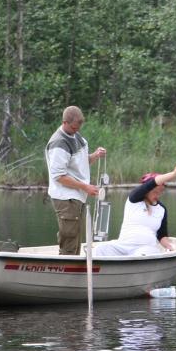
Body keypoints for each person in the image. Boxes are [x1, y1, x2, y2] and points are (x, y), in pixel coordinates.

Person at [45, 106, 106, 254]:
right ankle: (65, 268)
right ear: (64, 122)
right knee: (69, 237)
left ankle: (75, 267)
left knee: (76, 236)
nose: (76, 130)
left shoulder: (77, 136)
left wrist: (95, 155)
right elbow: (59, 176)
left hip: (77, 197)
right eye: (73, 127)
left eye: (78, 127)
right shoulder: (58, 143)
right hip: (65, 198)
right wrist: (85, 187)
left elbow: (80, 162)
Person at [94, 163, 176, 257]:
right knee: (100, 249)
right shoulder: (134, 199)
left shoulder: (162, 209)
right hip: (123, 246)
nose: (158, 195)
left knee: (140, 255)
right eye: (155, 192)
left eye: (160, 192)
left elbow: (162, 236)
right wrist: (173, 174)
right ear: (146, 190)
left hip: (146, 248)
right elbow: (153, 183)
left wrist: (171, 247)